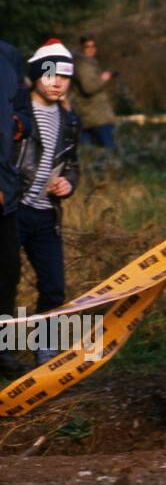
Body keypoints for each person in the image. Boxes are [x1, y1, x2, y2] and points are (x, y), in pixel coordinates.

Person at [15, 40, 80, 365]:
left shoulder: (69, 120)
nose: (57, 82)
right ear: (36, 75)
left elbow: (72, 165)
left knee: (54, 288)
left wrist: (68, 183)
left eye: (64, 77)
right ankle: (4, 353)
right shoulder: (15, 110)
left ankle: (46, 353)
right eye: (50, 74)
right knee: (4, 283)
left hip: (46, 216)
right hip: (11, 212)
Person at [0, 39, 33, 376]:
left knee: (8, 271)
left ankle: (3, 353)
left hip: (5, 191)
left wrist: (17, 124)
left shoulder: (9, 55)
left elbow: (25, 111)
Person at [72, 33, 116, 149]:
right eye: (88, 46)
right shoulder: (83, 65)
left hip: (91, 115)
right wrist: (103, 79)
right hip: (95, 116)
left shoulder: (87, 63)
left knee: (88, 152)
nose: (91, 49)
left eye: (93, 46)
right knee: (109, 152)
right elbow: (89, 87)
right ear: (82, 47)